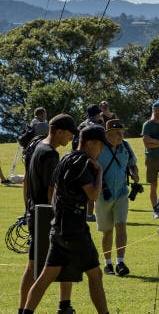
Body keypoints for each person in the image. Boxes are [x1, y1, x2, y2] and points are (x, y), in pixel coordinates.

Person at [23, 125, 109, 314]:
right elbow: (93, 195)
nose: (101, 150)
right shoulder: (84, 163)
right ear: (89, 143)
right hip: (75, 229)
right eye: (100, 146)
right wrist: (100, 173)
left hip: (58, 227)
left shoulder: (66, 159)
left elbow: (52, 191)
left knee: (45, 277)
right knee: (95, 274)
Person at [19, 114, 77, 314]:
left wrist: (28, 208)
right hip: (47, 217)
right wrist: (59, 215)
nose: (70, 139)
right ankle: (64, 306)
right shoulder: (51, 154)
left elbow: (26, 181)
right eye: (69, 134)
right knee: (59, 262)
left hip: (35, 212)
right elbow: (53, 190)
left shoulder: (36, 147)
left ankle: (23, 309)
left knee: (33, 266)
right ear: (59, 131)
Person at [96, 119, 138, 277]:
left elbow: (132, 163)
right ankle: (108, 264)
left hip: (121, 192)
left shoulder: (126, 146)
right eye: (117, 133)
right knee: (107, 231)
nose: (121, 136)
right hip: (102, 195)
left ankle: (120, 262)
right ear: (108, 135)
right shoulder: (99, 147)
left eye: (122, 133)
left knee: (121, 226)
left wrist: (134, 172)